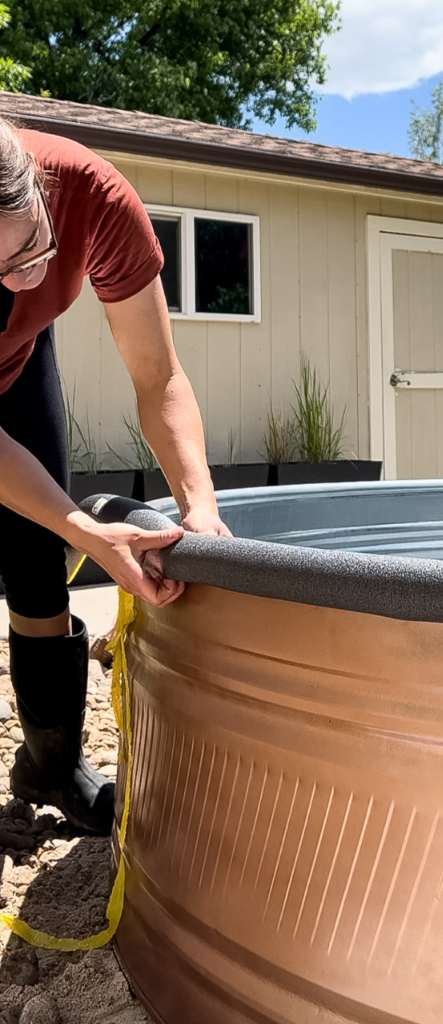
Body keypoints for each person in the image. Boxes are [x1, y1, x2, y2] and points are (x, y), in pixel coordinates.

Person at [0, 118, 230, 835]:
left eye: (33, 246)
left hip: (18, 364)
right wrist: (84, 527)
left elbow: (157, 376)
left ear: (41, 189)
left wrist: (201, 508)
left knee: (38, 568)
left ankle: (50, 763)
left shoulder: (93, 195)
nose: (23, 277)